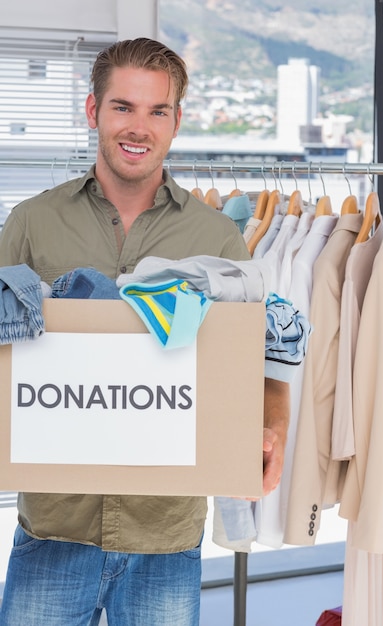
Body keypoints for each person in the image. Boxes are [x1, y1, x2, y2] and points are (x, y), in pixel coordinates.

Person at [0, 38, 290, 626]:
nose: (139, 127)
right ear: (93, 112)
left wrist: (273, 430)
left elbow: (258, 354)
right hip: (55, 527)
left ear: (176, 120)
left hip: (167, 534)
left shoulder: (217, 238)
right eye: (123, 107)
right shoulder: (31, 221)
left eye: (157, 110)